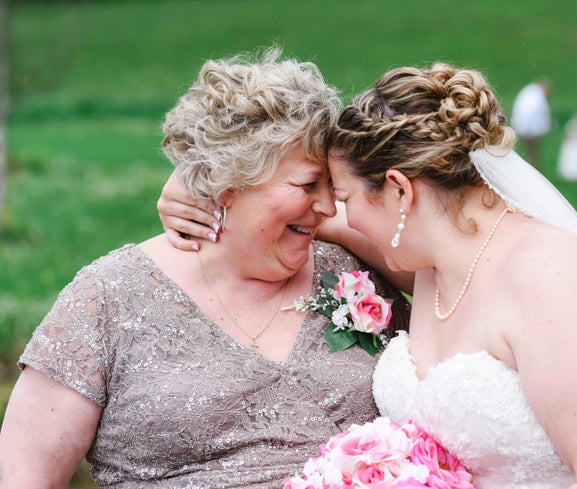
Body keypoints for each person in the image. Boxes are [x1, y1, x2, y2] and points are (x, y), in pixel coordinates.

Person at [161, 62, 577, 488]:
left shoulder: (550, 277)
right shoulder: (436, 263)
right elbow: (293, 219)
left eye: (348, 197)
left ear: (400, 190)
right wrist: (202, 190)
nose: (333, 212)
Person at [0, 49, 410, 488]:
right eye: (309, 184)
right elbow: (26, 478)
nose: (329, 207)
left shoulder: (358, 270)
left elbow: (464, 276)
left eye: (331, 185)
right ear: (229, 185)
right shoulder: (109, 297)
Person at [509, 80, 551, 170]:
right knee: (531, 153)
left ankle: (530, 169)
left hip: (524, 128)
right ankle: (532, 170)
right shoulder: (536, 96)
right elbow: (534, 113)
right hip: (529, 130)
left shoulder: (529, 93)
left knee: (528, 152)